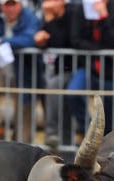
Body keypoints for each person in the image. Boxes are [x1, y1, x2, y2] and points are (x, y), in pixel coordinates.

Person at [0, 0, 40, 141]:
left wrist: (0, 41)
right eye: (6, 4)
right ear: (1, 6)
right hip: (2, 72)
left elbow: (30, 39)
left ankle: (23, 144)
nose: (9, 8)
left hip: (26, 75)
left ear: (20, 5)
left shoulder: (30, 17)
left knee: (23, 127)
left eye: (13, 4)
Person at [66, 0, 114, 133]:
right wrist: (103, 50)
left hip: (113, 70)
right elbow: (76, 40)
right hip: (88, 67)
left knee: (110, 106)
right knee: (73, 92)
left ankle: (108, 140)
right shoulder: (80, 10)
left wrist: (104, 18)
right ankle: (90, 131)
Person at [33, 0, 75, 149]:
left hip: (76, 67)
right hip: (59, 68)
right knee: (52, 87)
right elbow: (46, 40)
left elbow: (62, 42)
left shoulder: (73, 12)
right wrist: (40, 41)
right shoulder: (51, 16)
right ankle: (61, 139)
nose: (47, 4)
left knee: (54, 85)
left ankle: (52, 132)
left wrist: (49, 18)